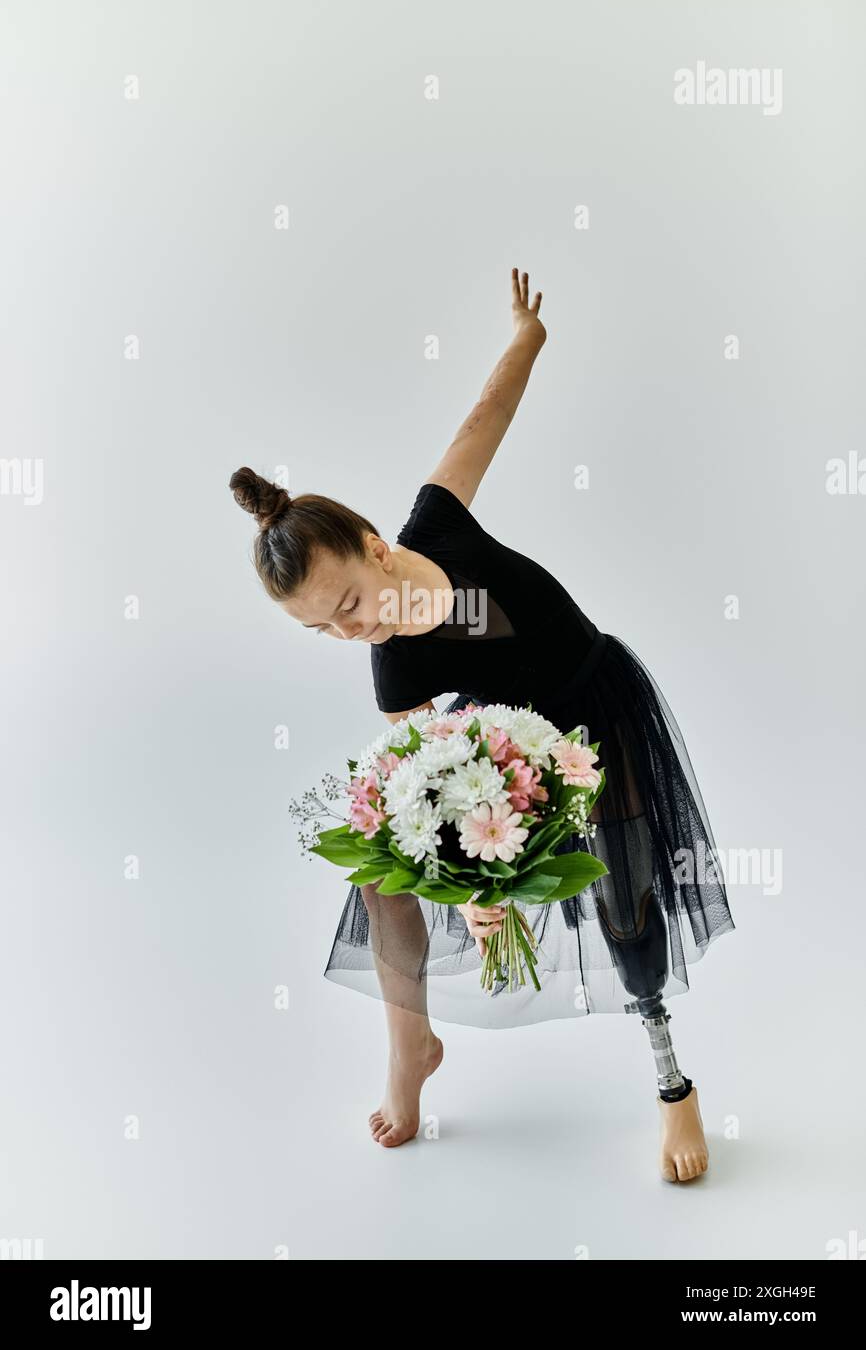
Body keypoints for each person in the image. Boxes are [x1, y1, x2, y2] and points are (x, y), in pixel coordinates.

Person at [230, 268, 735, 1181]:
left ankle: (673, 1083)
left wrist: (525, 339)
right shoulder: (395, 665)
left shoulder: (439, 521)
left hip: (598, 712)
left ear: (380, 549)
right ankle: (409, 1052)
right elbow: (418, 770)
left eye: (350, 601)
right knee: (377, 872)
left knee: (628, 901)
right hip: (511, 760)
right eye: (324, 629)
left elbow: (484, 416)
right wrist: (470, 888)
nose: (350, 630)